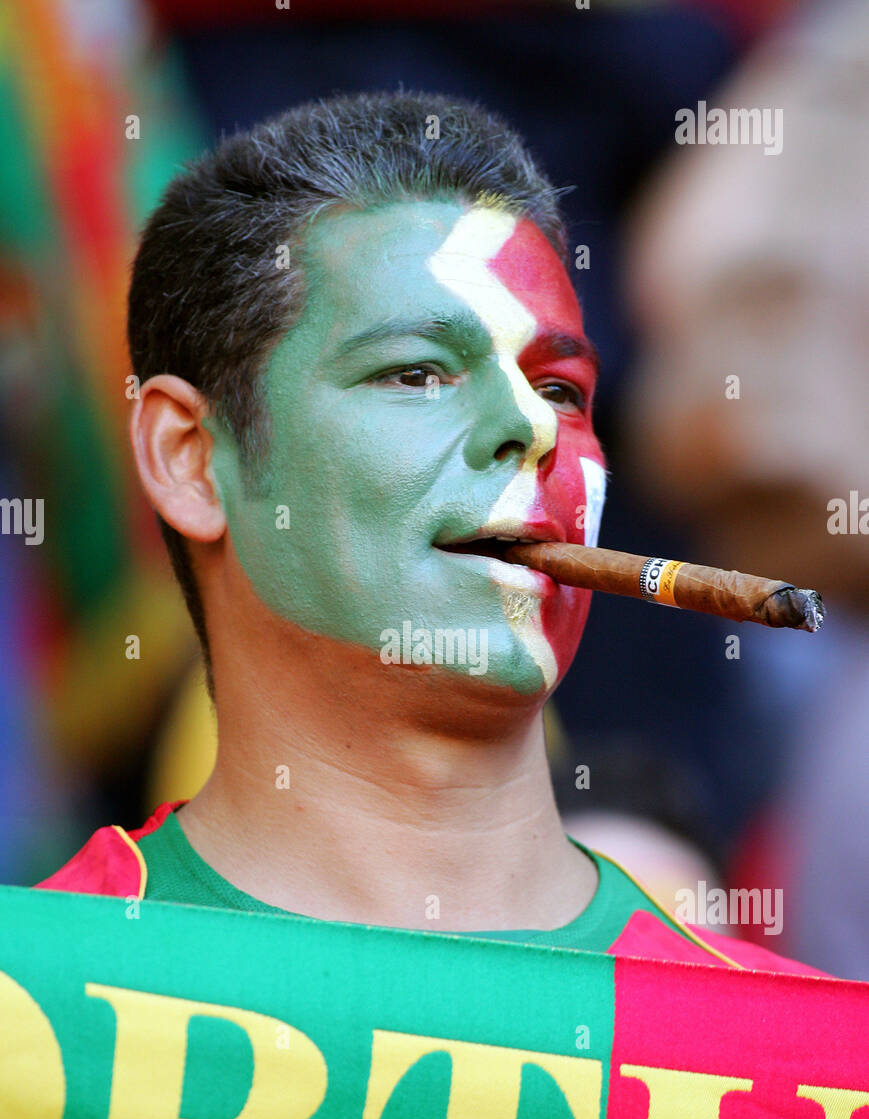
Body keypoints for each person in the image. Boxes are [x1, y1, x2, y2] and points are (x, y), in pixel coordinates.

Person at [36, 89, 822, 977]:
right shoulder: (32, 1005)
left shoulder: (809, 1077)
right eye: (417, 374)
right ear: (189, 456)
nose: (529, 429)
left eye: (560, 389)